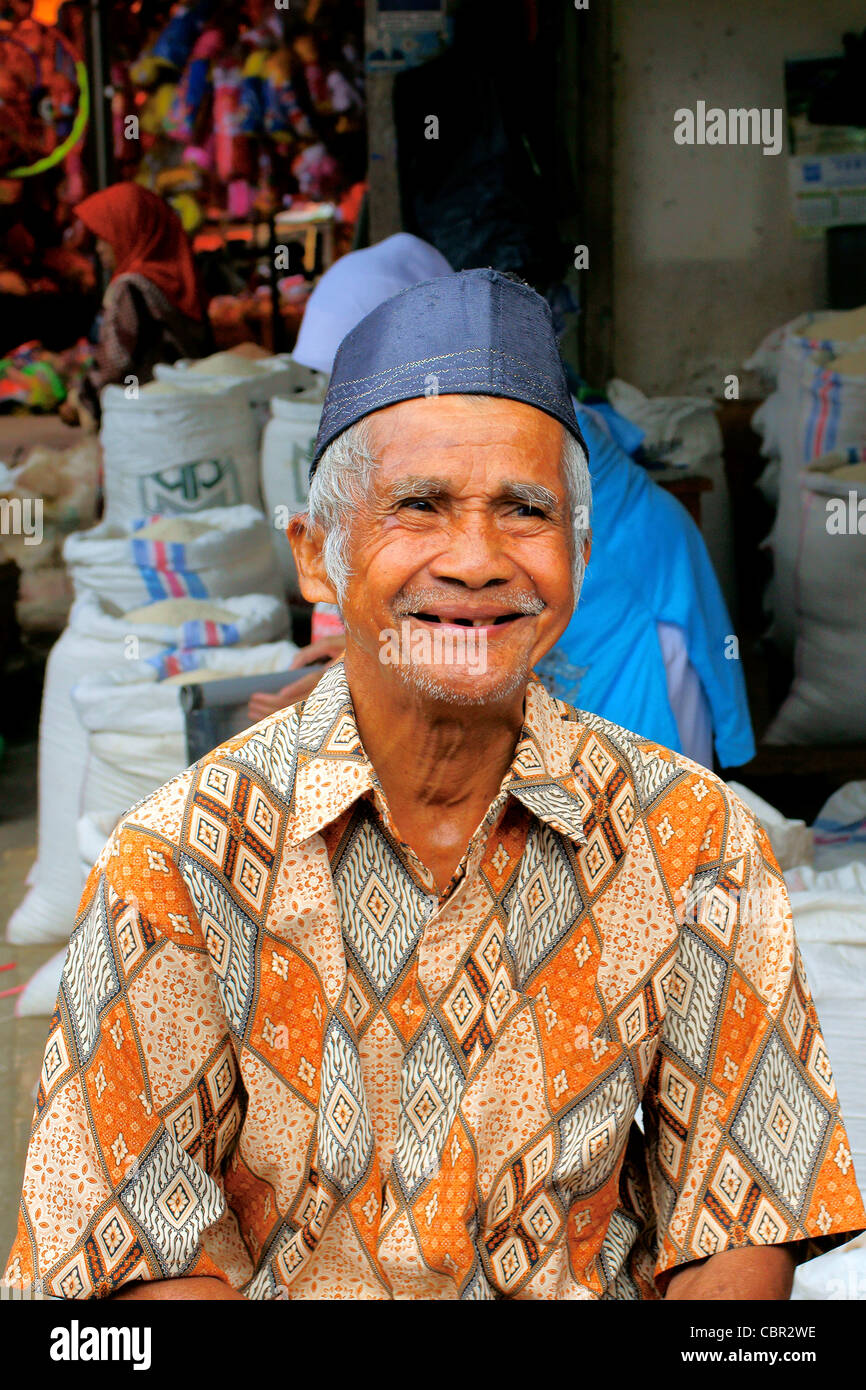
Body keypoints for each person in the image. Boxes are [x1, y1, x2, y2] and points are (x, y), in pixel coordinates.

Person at [6, 270, 862, 1301]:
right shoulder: (175, 867)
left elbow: (741, 1209)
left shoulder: (691, 839)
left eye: (524, 511)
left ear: (576, 559)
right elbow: (128, 1251)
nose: (474, 559)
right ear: (316, 558)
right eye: (418, 505)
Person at [63, 182, 212, 423]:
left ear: (130, 232)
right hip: (187, 408)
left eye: (105, 239)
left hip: (146, 415)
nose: (100, 250)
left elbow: (115, 361)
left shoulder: (130, 287)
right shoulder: (180, 277)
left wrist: (81, 401)